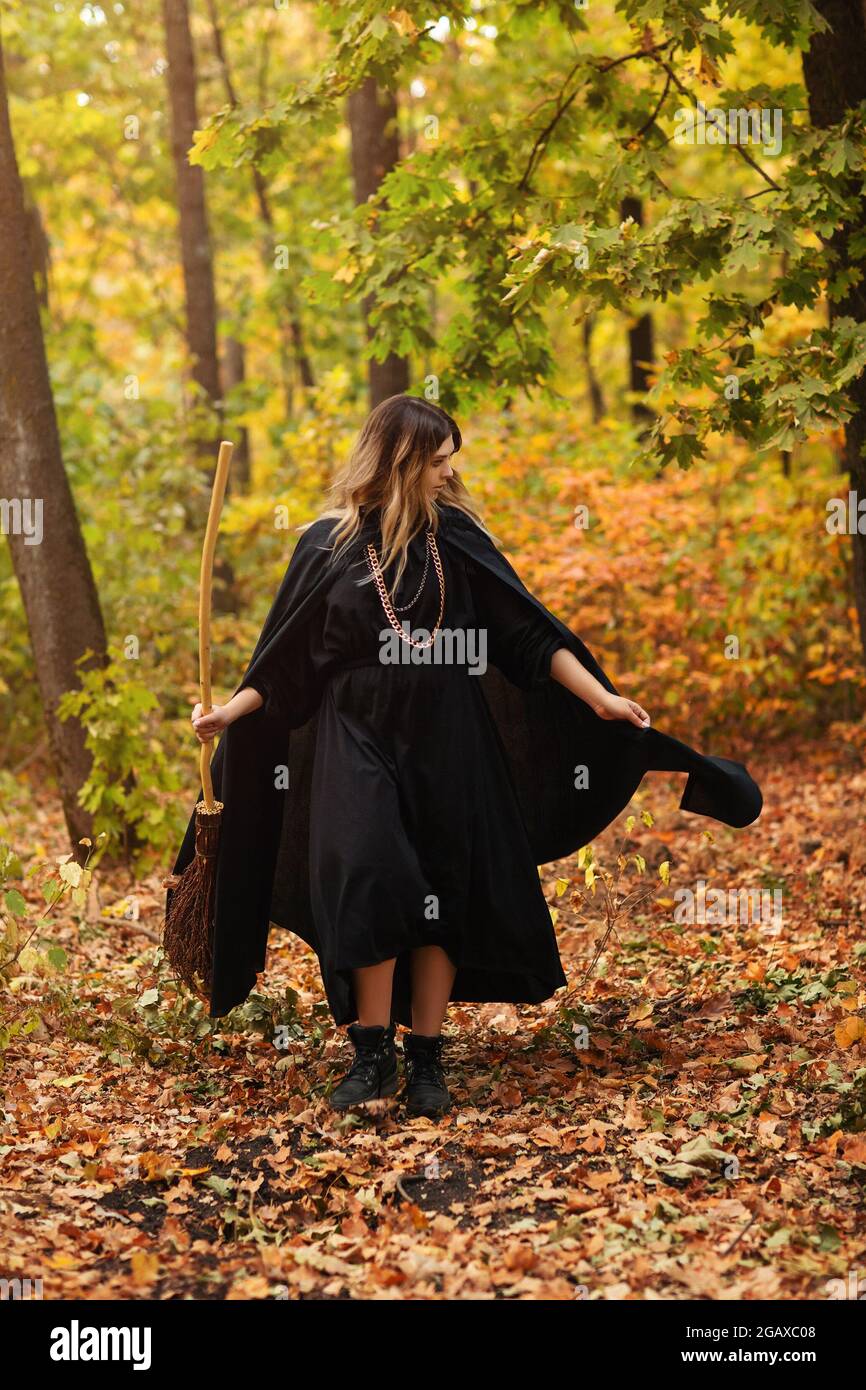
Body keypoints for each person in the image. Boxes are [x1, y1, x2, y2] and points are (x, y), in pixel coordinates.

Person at [175, 394, 762, 1120]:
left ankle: (426, 1058)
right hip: (354, 733)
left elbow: (527, 635)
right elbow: (286, 662)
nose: (448, 474)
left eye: (451, 461)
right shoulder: (325, 546)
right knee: (367, 870)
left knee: (443, 884)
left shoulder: (458, 540)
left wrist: (600, 699)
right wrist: (229, 712)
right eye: (437, 461)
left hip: (450, 736)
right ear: (399, 459)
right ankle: (370, 1053)